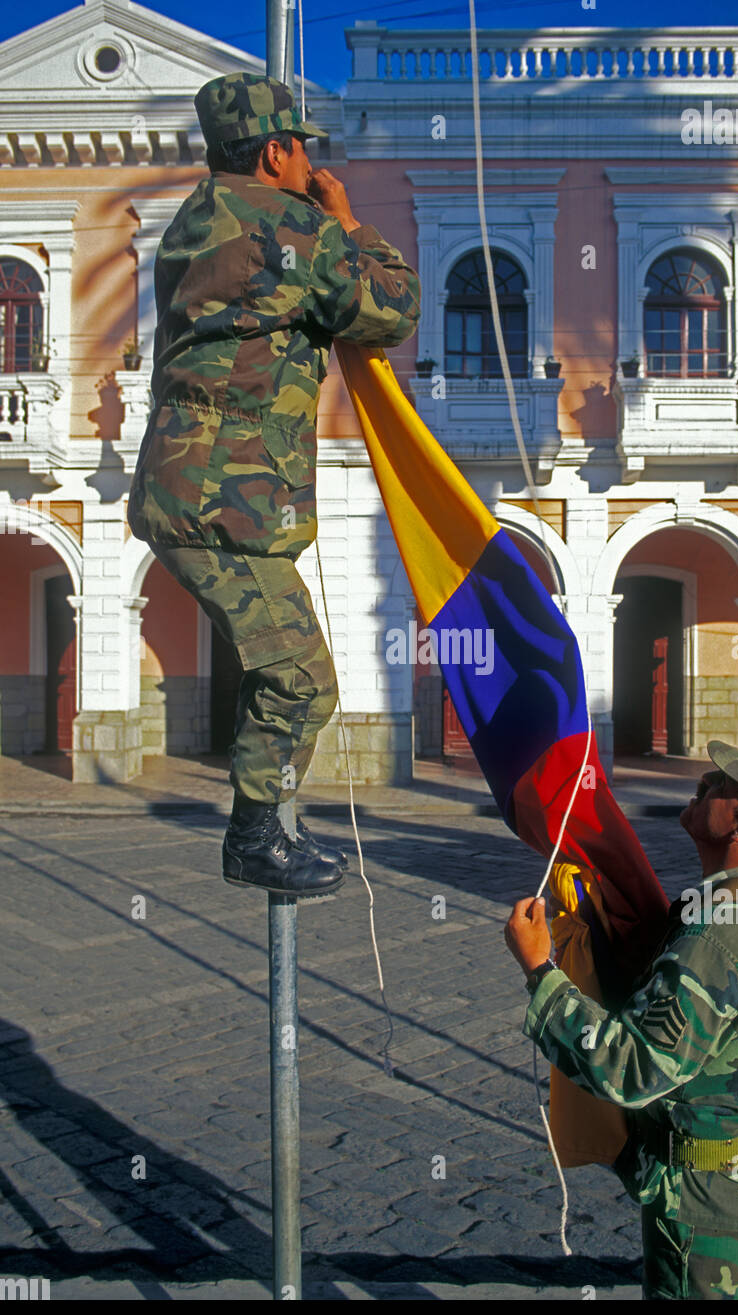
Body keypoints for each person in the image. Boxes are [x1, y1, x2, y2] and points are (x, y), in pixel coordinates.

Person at [127, 72, 420, 899]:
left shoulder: (191, 222)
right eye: (300, 149)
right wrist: (348, 220)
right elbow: (392, 308)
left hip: (189, 489)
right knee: (302, 677)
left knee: (282, 668)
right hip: (231, 499)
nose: (306, 162)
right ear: (276, 150)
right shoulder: (291, 226)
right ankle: (257, 838)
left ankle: (266, 827)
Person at [504, 738, 738, 1299]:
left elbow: (629, 1071)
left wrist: (539, 971)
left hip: (709, 1211)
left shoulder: (718, 937)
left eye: (724, 787)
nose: (705, 781)